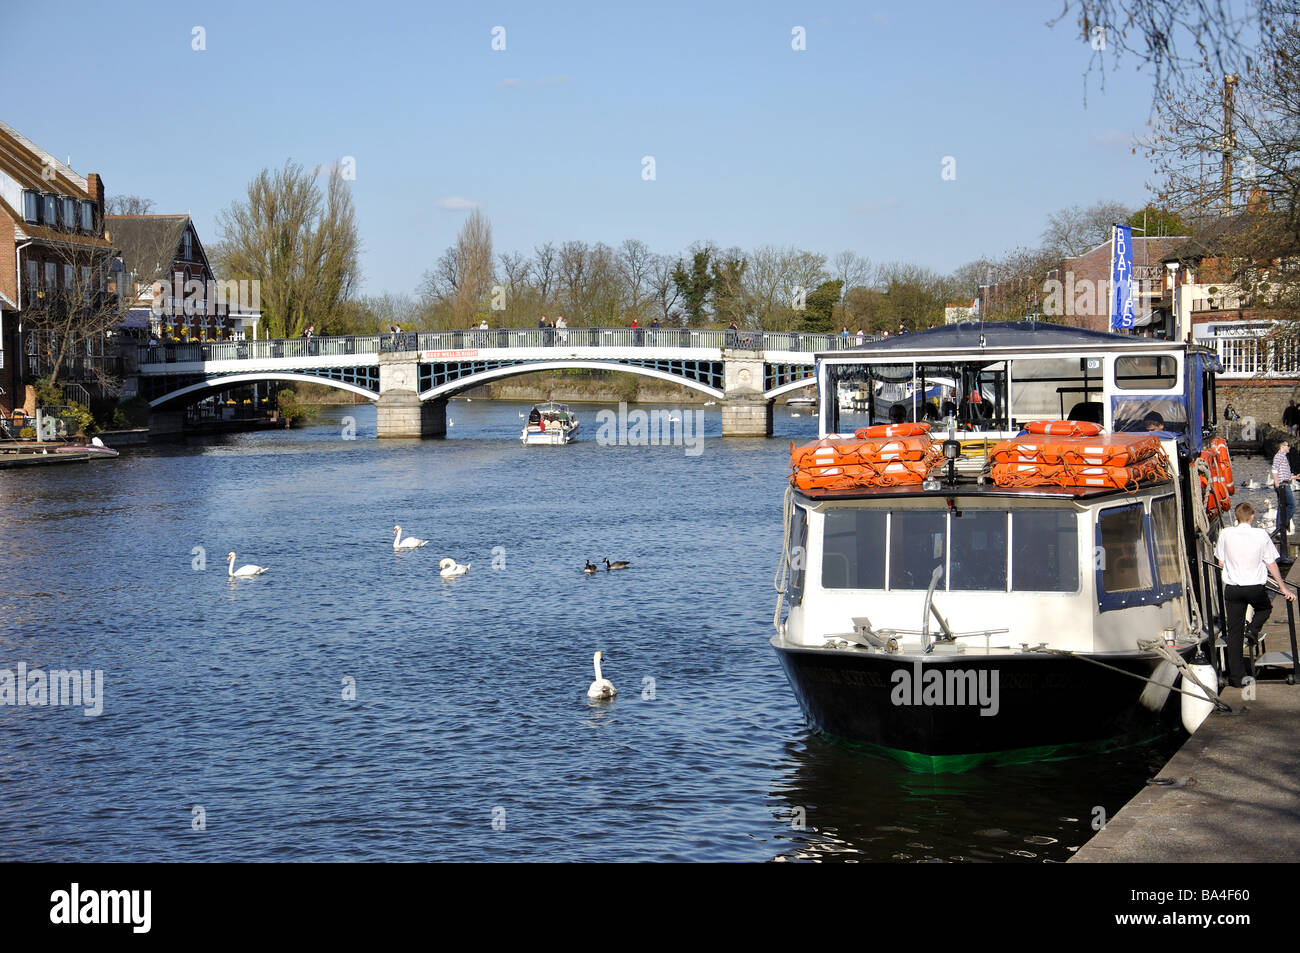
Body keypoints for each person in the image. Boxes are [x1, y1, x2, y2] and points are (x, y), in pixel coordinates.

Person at [1216, 501, 1296, 688]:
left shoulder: (1226, 533)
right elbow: (1271, 564)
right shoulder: (1260, 534)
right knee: (1265, 608)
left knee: (1233, 633)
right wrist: (1283, 588)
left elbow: (1220, 562)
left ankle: (1237, 678)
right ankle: (1253, 630)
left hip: (1233, 589)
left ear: (1236, 517)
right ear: (1252, 517)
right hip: (1254, 587)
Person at [1272, 439, 1295, 548]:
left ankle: (1279, 528)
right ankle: (1281, 527)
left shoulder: (1283, 457)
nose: (1289, 447)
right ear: (1282, 446)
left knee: (1282, 507)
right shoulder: (1279, 456)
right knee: (1292, 505)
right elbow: (1275, 470)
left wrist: (1294, 477)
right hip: (1282, 486)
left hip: (1285, 483)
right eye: (1288, 445)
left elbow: (1283, 473)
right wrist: (1277, 483)